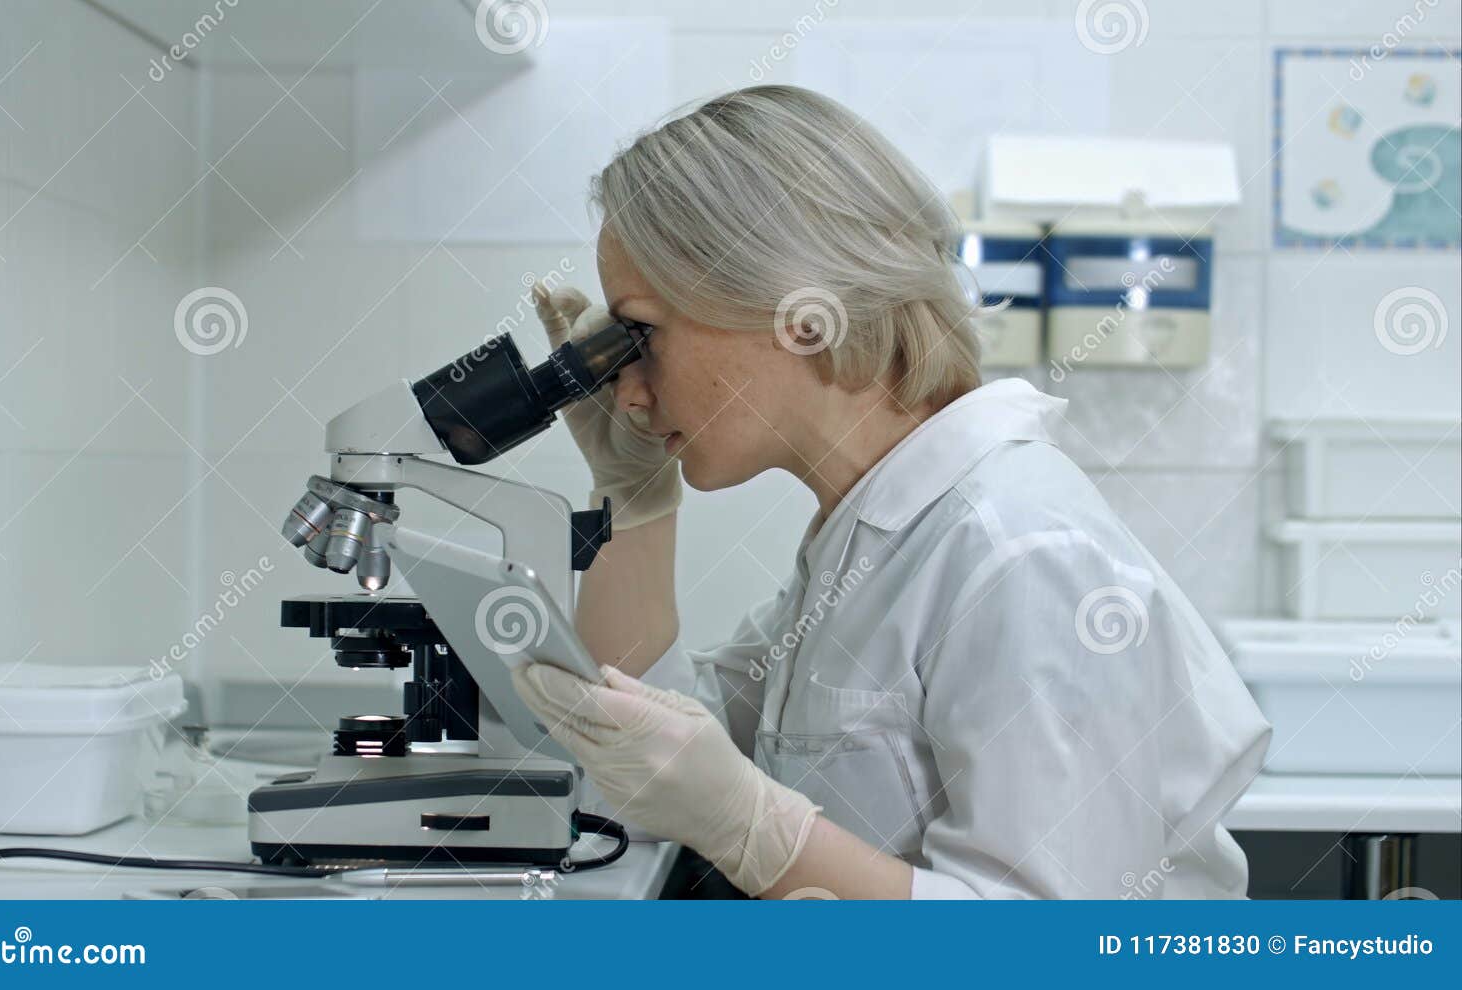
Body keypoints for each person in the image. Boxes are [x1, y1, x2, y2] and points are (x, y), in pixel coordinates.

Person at [511, 85, 1270, 899]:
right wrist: (633, 496)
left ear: (792, 305)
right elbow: (643, 756)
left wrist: (757, 830)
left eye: (642, 336)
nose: (626, 392)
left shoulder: (1022, 552)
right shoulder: (872, 535)